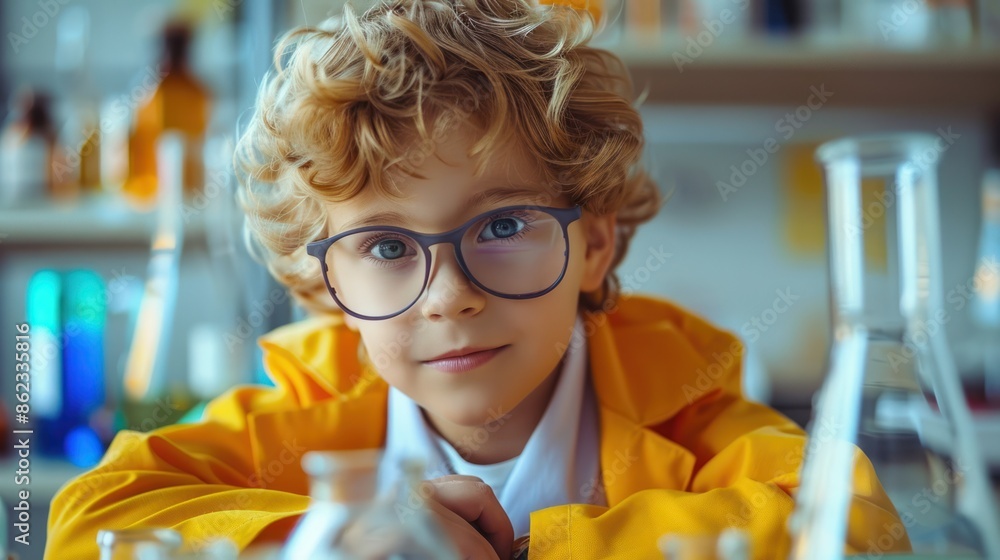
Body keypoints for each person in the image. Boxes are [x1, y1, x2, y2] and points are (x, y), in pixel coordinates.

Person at [46, 1, 909, 558]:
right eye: (385, 247)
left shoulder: (681, 403)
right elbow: (88, 521)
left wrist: (534, 552)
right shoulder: (297, 418)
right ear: (323, 280)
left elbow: (860, 528)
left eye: (502, 226)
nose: (448, 295)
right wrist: (329, 543)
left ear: (596, 245)